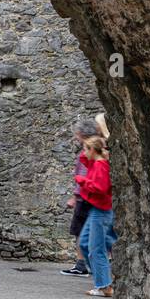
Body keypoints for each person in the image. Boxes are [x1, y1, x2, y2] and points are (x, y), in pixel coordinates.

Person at [61, 115, 108, 277]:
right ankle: (91, 268)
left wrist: (78, 191)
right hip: (89, 198)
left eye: (77, 135)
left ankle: (87, 267)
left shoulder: (92, 156)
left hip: (88, 199)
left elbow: (94, 182)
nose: (75, 137)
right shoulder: (93, 153)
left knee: (83, 233)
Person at [76, 134, 117, 297]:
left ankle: (105, 286)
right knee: (85, 244)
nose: (83, 153)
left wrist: (82, 181)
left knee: (96, 249)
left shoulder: (100, 165)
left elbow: (100, 187)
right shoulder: (95, 162)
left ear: (93, 150)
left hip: (101, 211)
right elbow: (84, 159)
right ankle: (103, 281)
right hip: (96, 209)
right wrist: (89, 145)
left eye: (86, 149)